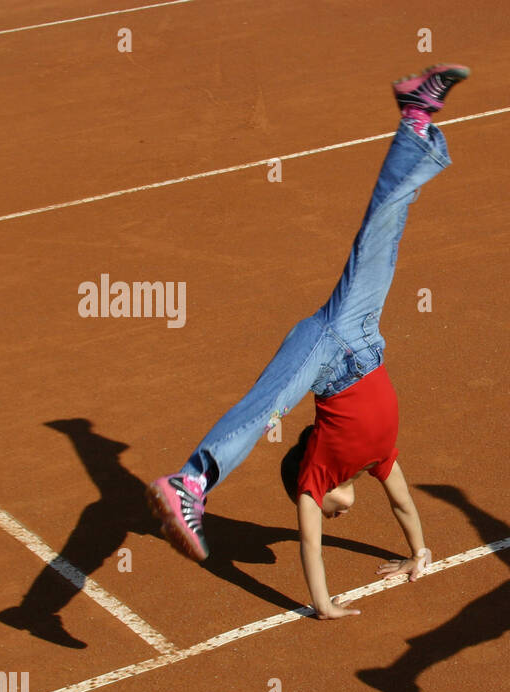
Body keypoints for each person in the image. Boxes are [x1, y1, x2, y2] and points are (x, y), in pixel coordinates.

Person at [148, 64, 470, 619]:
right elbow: (404, 505)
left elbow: (311, 546)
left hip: (328, 341)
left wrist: (321, 604)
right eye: (335, 516)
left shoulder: (315, 476)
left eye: (331, 514)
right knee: (386, 227)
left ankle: (193, 480)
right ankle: (416, 118)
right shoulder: (378, 461)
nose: (336, 516)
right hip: (364, 336)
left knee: (267, 406)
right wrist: (420, 552)